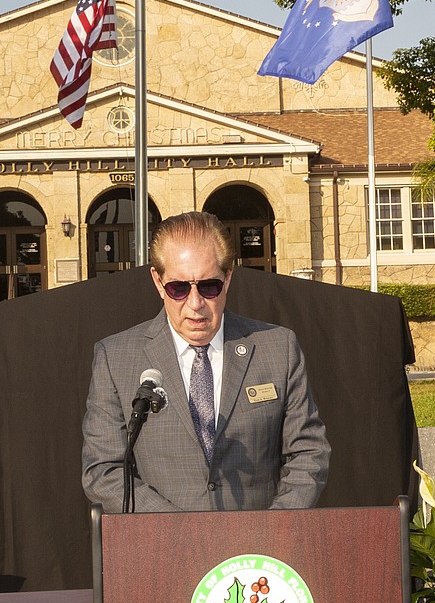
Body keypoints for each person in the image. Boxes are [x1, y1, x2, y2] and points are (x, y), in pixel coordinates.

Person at [82, 211, 329, 513]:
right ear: (158, 282)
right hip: (164, 548)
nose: (196, 303)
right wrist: (185, 533)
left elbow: (309, 452)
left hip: (255, 552)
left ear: (227, 278)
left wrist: (272, 530)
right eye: (179, 288)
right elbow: (103, 470)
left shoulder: (277, 348)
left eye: (209, 286)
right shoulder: (116, 357)